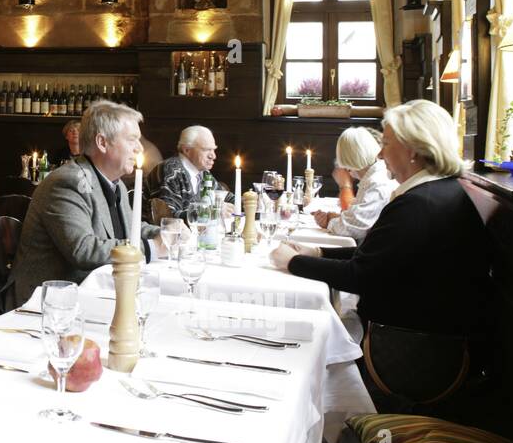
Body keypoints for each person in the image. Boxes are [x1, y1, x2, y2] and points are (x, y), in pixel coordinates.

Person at [270, 100, 494, 341]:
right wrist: (317, 252)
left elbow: (362, 277)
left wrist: (295, 262)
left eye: (386, 143)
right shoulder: (437, 192)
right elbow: (379, 257)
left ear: (414, 150)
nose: (379, 153)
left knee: (296, 332)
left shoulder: (418, 205)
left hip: (406, 345)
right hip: (420, 333)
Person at [12, 101, 160, 304]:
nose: (140, 148)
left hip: (95, 292)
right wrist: (151, 247)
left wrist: (164, 234)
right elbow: (83, 249)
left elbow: (130, 228)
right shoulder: (67, 182)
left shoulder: (116, 184)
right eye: (132, 139)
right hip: (49, 303)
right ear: (102, 142)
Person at [310, 127, 396, 242]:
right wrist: (336, 218)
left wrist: (329, 221)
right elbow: (354, 217)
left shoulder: (377, 183)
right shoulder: (372, 177)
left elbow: (352, 228)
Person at [146, 124, 230, 220]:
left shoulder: (203, 173)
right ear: (186, 150)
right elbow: (168, 218)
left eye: (213, 150)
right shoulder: (171, 171)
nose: (213, 156)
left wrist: (247, 200)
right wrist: (211, 211)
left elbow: (226, 196)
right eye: (207, 150)